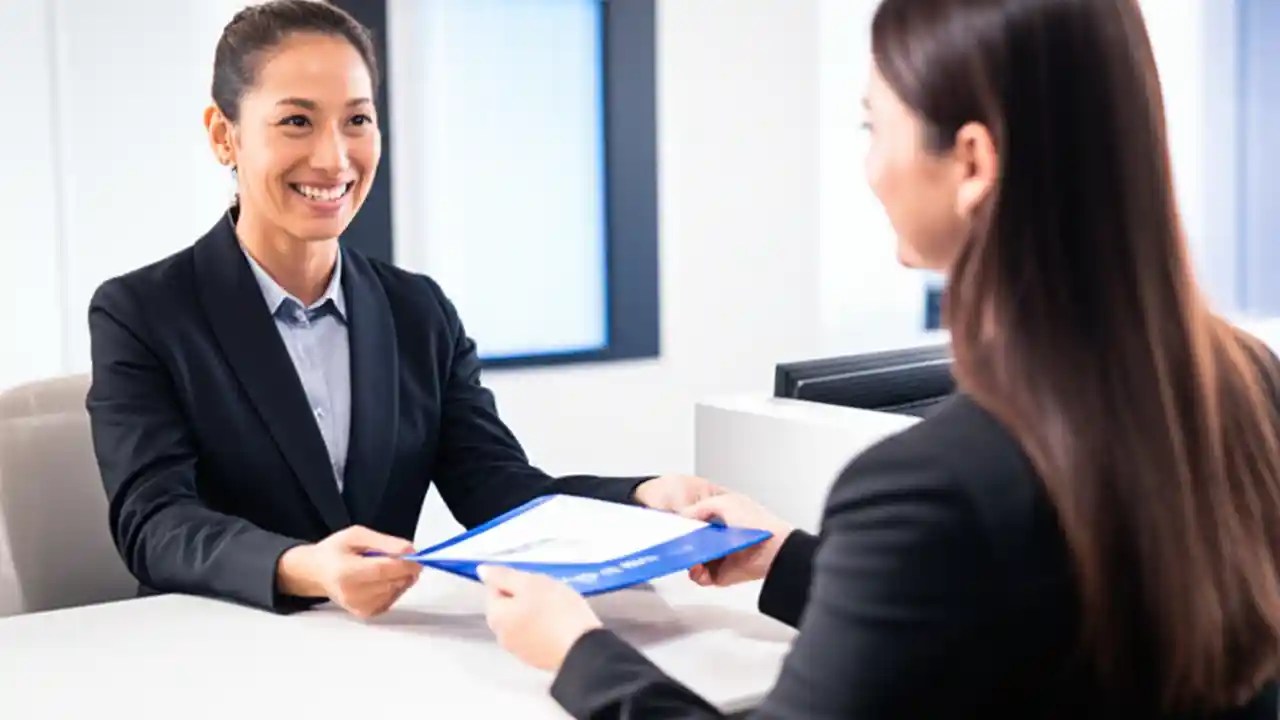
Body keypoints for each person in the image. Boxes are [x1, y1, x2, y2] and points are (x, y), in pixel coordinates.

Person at [478, 0, 1280, 716]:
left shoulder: (932, 484)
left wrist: (578, 654)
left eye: (874, 128)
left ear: (972, 162)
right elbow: (1020, 622)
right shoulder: (1245, 382)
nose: (869, 169)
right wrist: (787, 557)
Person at [86, 0, 719, 619]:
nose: (334, 158)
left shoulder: (418, 311)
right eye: (297, 122)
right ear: (225, 136)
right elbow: (155, 523)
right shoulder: (142, 312)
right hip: (211, 649)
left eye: (357, 120)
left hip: (380, 650)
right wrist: (305, 567)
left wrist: (639, 499)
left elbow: (497, 487)